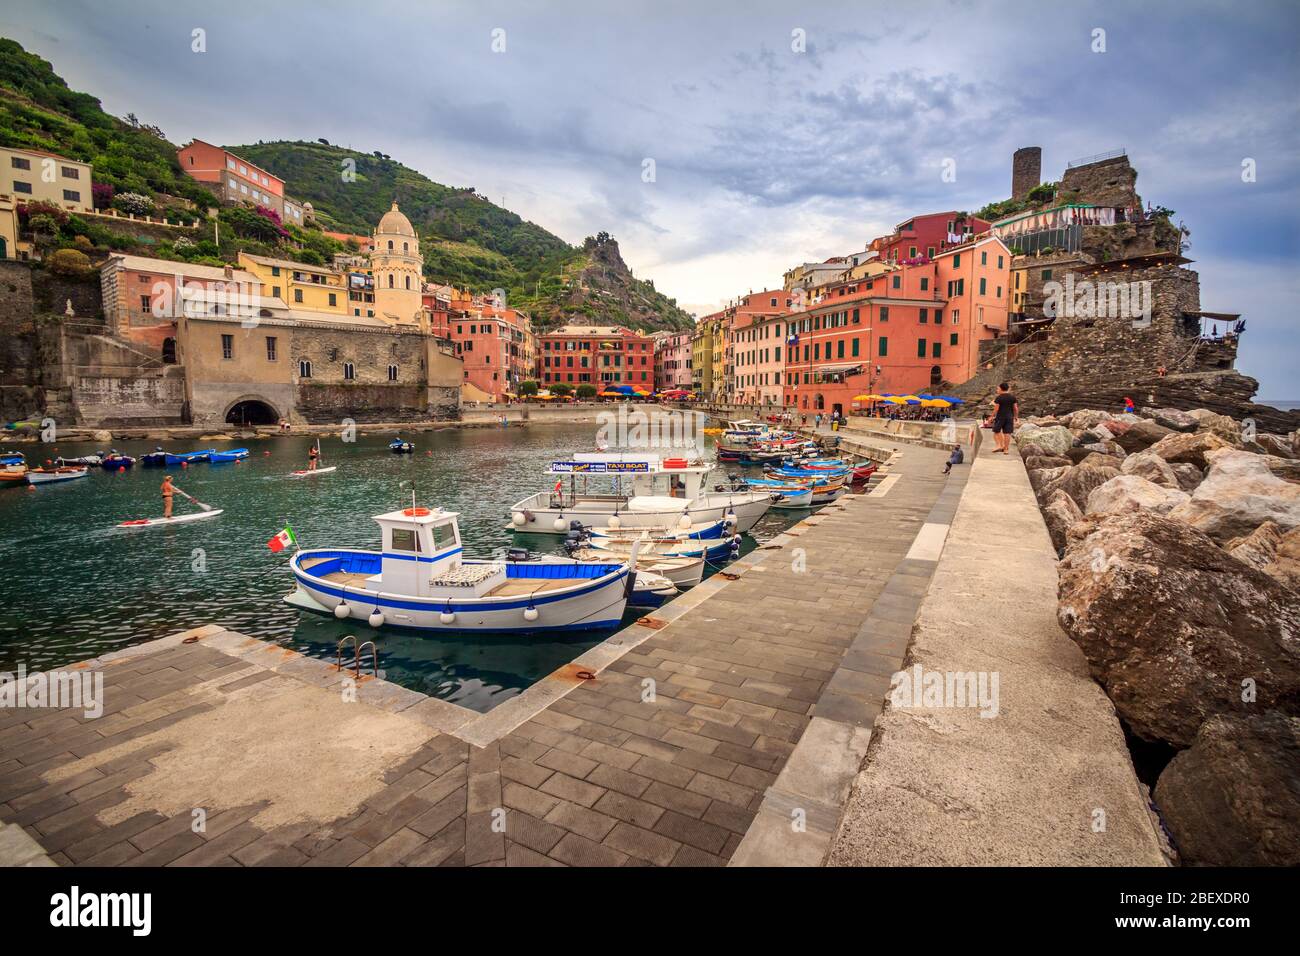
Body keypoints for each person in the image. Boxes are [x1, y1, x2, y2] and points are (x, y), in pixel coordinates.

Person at [986, 382, 1018, 454]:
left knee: (996, 431)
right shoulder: (1012, 397)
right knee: (1007, 433)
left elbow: (996, 408)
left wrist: (991, 417)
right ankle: (1006, 449)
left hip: (1000, 417)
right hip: (1010, 417)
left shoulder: (999, 397)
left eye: (998, 388)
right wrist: (1016, 416)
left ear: (1001, 388)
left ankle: (999, 446)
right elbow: (1015, 408)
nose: (997, 390)